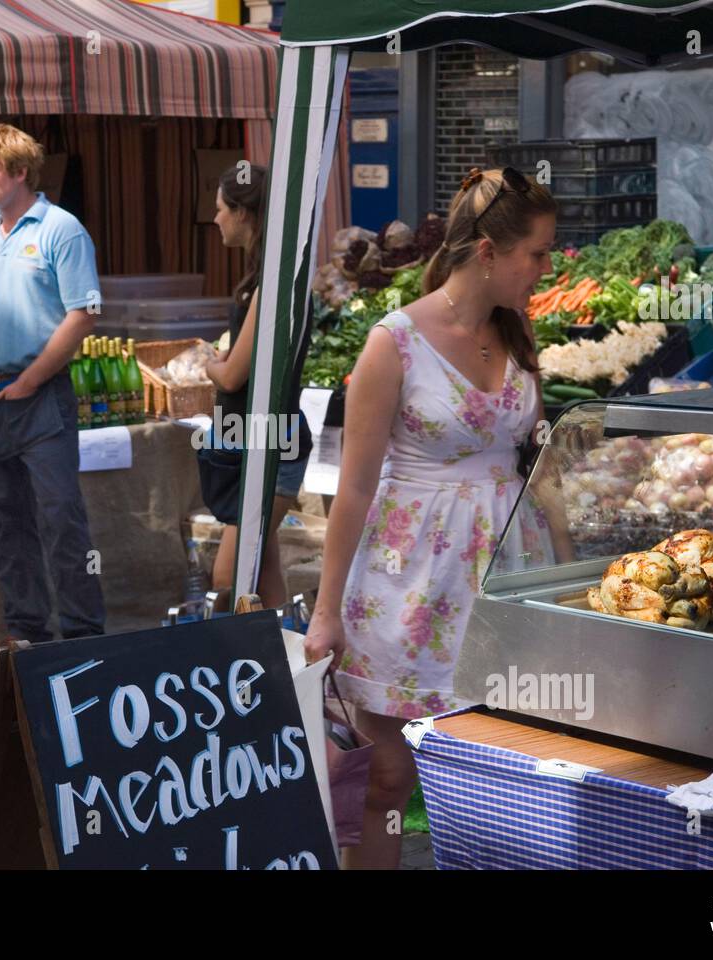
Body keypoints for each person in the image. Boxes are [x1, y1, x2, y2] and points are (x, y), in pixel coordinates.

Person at [303, 166, 562, 868]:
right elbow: (352, 489)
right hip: (409, 577)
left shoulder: (516, 332)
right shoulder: (394, 342)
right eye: (536, 253)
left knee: (503, 770)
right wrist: (325, 613)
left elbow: (536, 463)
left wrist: (569, 574)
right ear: (487, 252)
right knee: (385, 781)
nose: (544, 268)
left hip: (506, 576)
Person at [0, 123, 104, 666]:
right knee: (9, 519)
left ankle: (84, 636)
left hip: (39, 397)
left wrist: (34, 379)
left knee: (61, 515)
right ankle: (25, 633)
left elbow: (83, 313)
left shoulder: (62, 230)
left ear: (20, 172)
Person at [201, 163, 312, 610]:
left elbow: (232, 376)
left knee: (229, 576)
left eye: (221, 209)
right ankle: (281, 667)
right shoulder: (269, 279)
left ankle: (245, 670)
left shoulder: (275, 285)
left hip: (271, 443)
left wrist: (209, 364)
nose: (216, 219)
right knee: (262, 570)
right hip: (254, 440)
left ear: (244, 213)